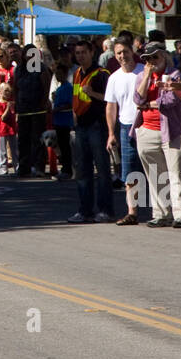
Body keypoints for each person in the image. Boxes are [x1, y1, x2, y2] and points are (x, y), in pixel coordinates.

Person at [133, 41, 181, 226]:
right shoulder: (142, 75)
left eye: (155, 57)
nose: (152, 61)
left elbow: (169, 101)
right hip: (147, 130)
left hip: (170, 130)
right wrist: (147, 77)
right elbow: (137, 98)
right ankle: (161, 213)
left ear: (164, 56)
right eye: (147, 58)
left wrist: (147, 104)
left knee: (176, 173)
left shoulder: (173, 74)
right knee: (155, 174)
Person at [68, 39, 113, 223]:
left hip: (97, 125)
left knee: (102, 170)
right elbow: (76, 98)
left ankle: (105, 210)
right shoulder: (77, 72)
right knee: (83, 170)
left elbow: (110, 99)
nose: (80, 56)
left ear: (91, 52)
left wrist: (92, 93)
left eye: (83, 52)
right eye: (77, 53)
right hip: (81, 126)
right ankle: (84, 210)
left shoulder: (101, 74)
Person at [105, 39, 145, 225]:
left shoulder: (144, 71)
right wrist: (111, 133)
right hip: (125, 126)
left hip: (146, 125)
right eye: (119, 53)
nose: (122, 56)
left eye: (125, 52)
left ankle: (162, 212)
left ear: (133, 51)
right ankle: (132, 212)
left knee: (152, 169)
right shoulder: (114, 78)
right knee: (129, 172)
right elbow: (111, 108)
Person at [14, 44, 50, 178]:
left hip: (38, 108)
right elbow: (15, 87)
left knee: (38, 138)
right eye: (27, 53)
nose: (29, 56)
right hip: (23, 108)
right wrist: (16, 103)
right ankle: (24, 167)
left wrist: (44, 101)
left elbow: (46, 84)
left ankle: (39, 166)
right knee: (23, 139)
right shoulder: (20, 69)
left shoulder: (40, 68)